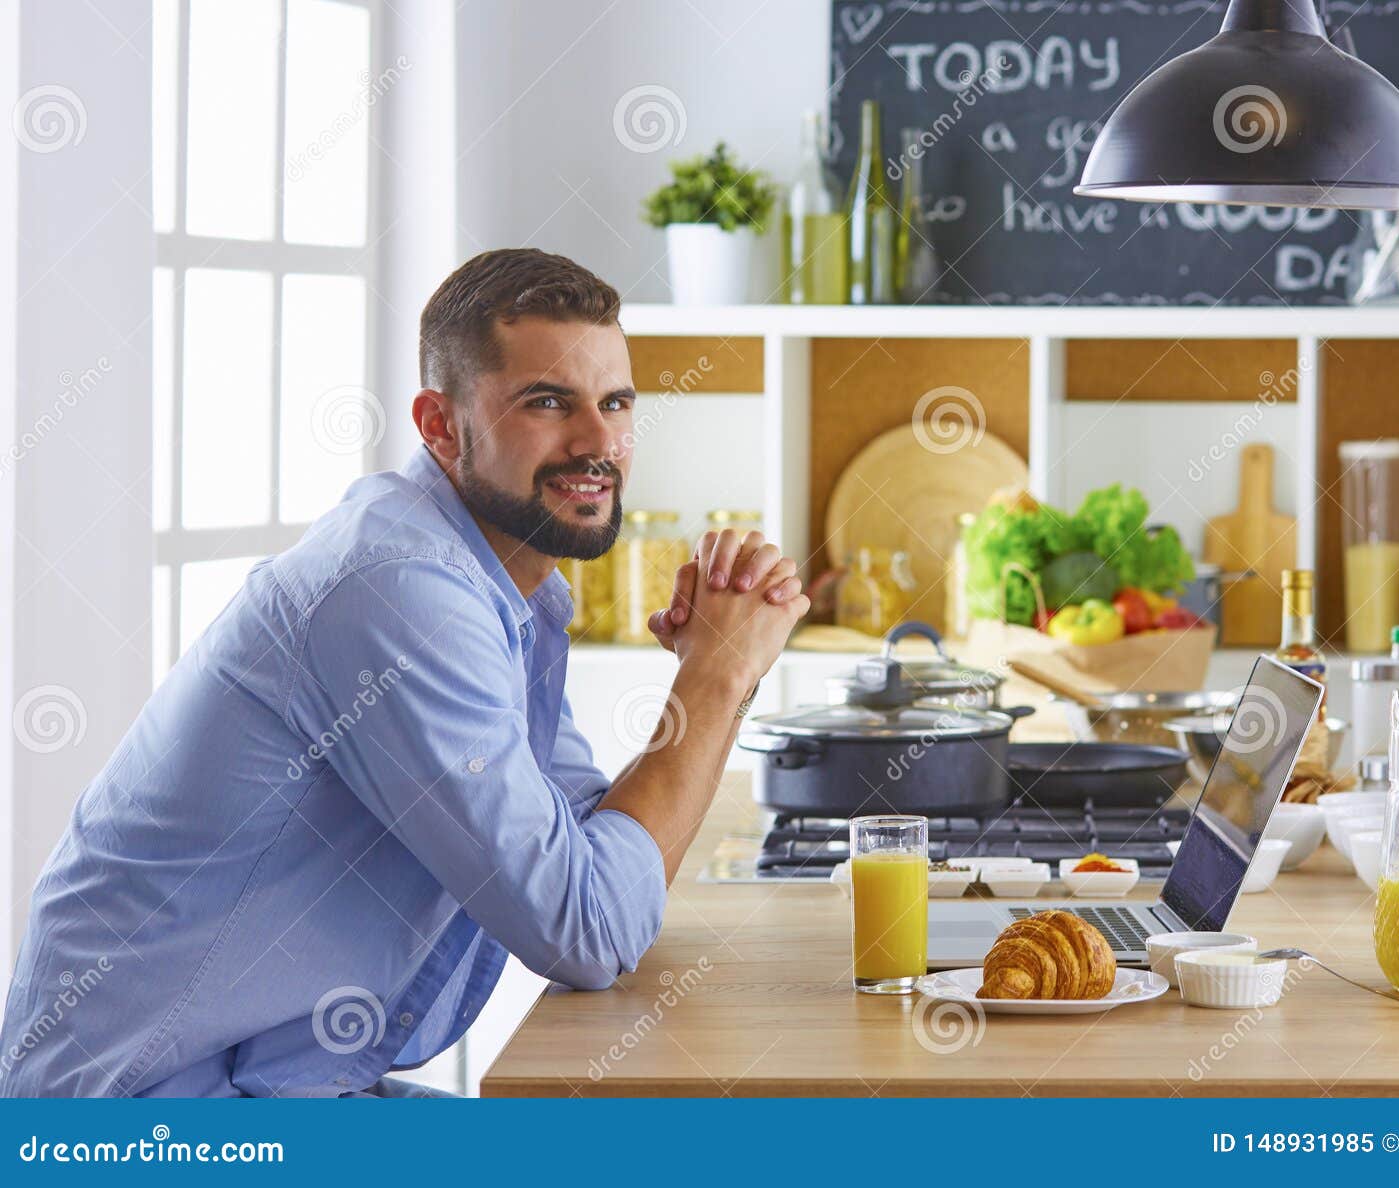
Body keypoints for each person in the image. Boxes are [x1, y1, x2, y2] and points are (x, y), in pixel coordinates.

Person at [0, 248, 808, 1097]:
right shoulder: (402, 594)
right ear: (440, 425)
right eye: (548, 402)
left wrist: (726, 670)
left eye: (615, 403)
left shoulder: (505, 593)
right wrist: (715, 680)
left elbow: (593, 857)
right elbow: (590, 927)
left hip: (272, 1091)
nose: (599, 442)